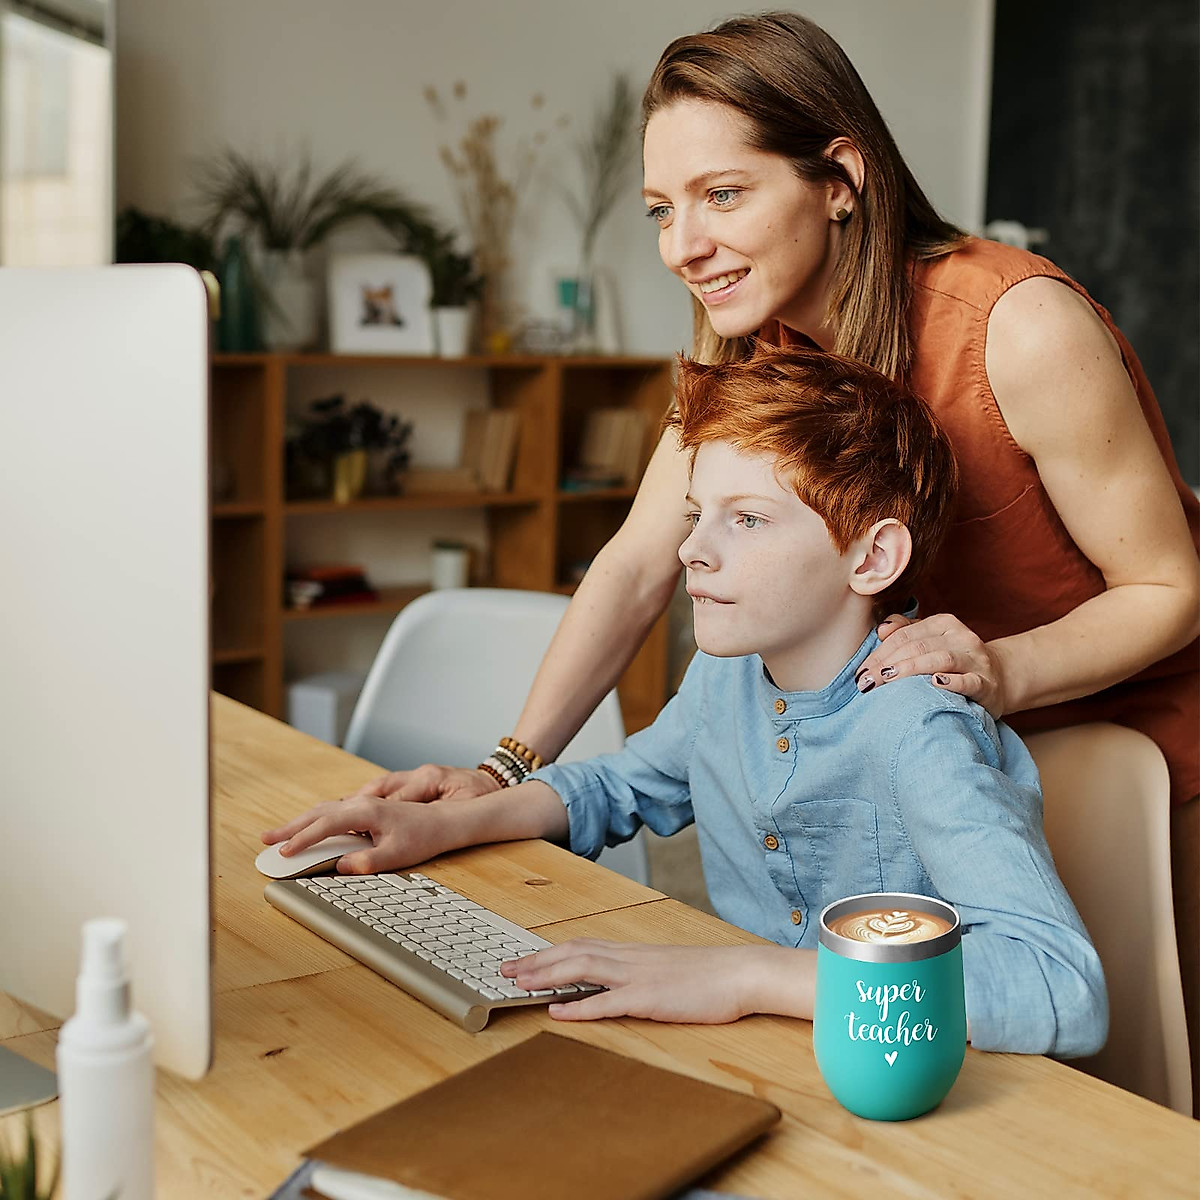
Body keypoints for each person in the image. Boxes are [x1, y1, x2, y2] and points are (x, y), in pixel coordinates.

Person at [345, 13, 1199, 1095]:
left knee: (1130, 1090)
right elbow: (639, 559)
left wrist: (998, 668)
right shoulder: (748, 347)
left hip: (1124, 745)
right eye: (662, 209)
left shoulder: (1017, 327)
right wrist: (499, 773)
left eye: (722, 194)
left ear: (839, 176)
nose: (681, 245)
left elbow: (1170, 589)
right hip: (938, 743)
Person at [263, 346, 1107, 1056]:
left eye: (747, 521)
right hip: (763, 1046)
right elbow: (624, 785)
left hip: (895, 1079)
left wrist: (746, 975)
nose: (690, 550)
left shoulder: (918, 727)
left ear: (873, 556)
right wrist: (450, 822)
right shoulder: (727, 676)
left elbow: (1057, 984)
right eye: (698, 512)